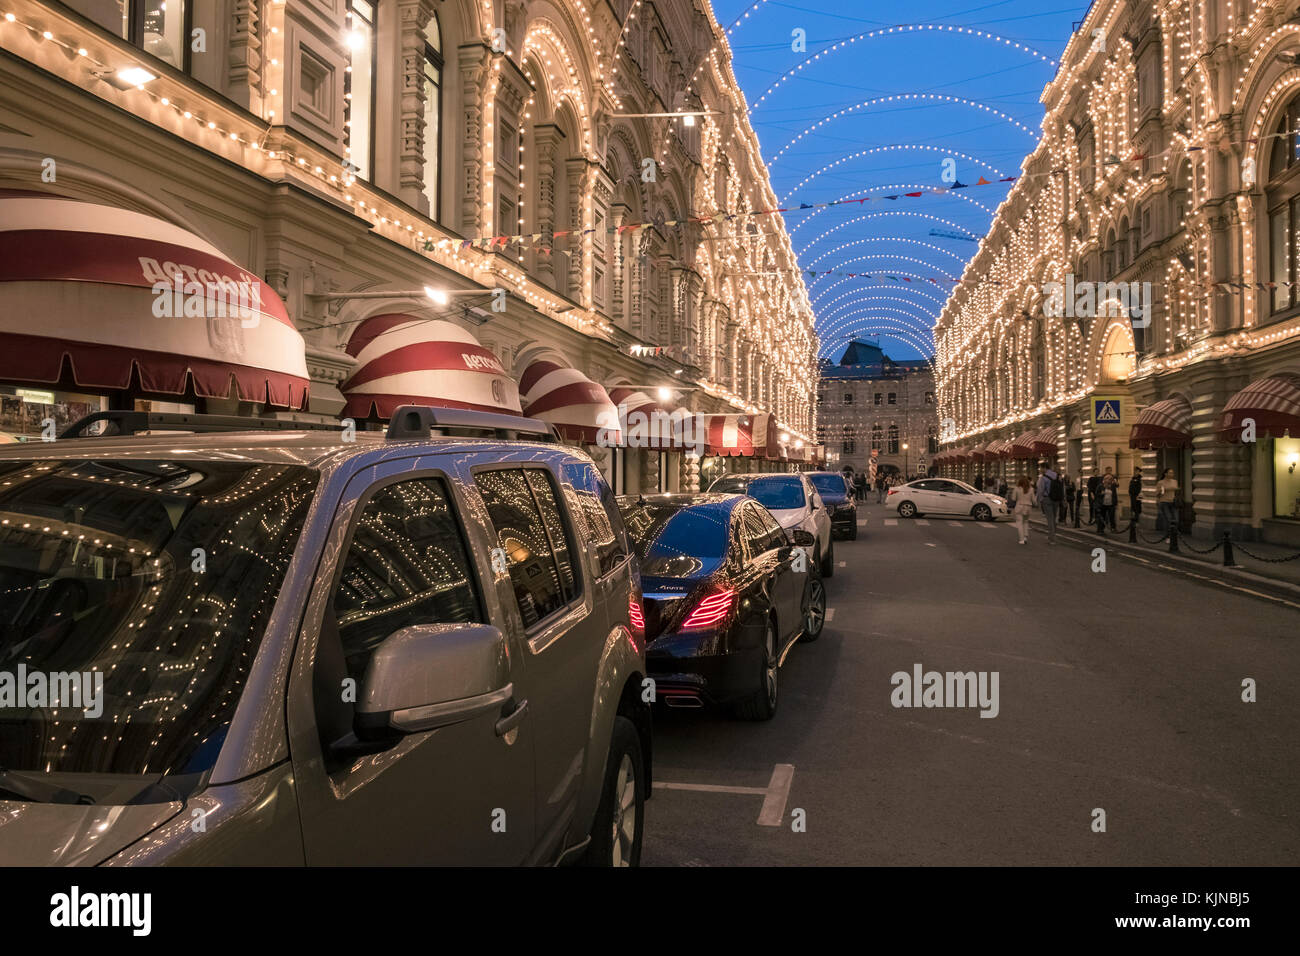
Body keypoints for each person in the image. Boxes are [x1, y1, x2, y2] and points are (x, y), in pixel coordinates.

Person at [1036, 462, 1061, 544]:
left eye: (1040, 468)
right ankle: (1053, 535)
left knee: (1049, 519)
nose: (1040, 470)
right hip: (1056, 499)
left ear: (1044, 468)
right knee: (1054, 518)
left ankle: (1052, 539)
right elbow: (1061, 487)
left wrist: (1040, 500)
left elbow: (1040, 490)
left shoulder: (1043, 478)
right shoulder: (1057, 475)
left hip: (1047, 499)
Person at [1009, 475, 1036, 544]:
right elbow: (1033, 500)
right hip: (1028, 507)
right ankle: (1025, 536)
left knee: (1019, 523)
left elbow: (1013, 499)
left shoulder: (1017, 488)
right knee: (1026, 522)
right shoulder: (1031, 489)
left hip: (1019, 506)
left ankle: (1021, 539)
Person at [1156, 468, 1179, 536]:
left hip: (1173, 502)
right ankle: (1168, 535)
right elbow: (1158, 494)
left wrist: (1176, 490)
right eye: (1170, 473)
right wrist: (1164, 490)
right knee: (1168, 519)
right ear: (1165, 474)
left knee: (1176, 519)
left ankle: (1174, 535)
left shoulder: (1175, 481)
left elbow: (1176, 491)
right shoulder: (1161, 482)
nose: (1171, 474)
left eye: (1172, 473)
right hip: (1164, 502)